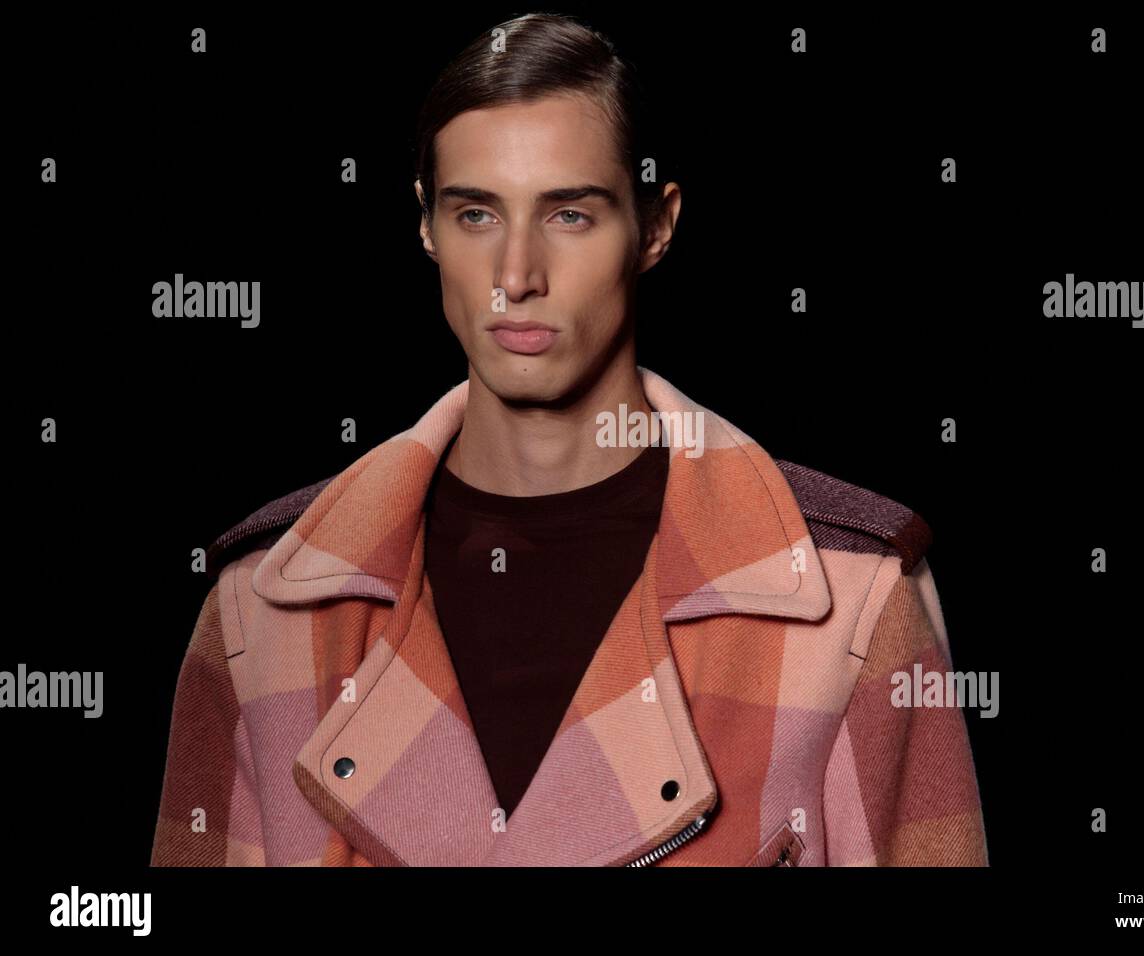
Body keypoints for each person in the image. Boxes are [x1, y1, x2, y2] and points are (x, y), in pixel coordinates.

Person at [150, 12, 988, 867]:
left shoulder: (847, 596)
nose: (516, 277)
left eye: (570, 216)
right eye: (477, 213)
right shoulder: (265, 607)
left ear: (656, 227)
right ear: (426, 225)